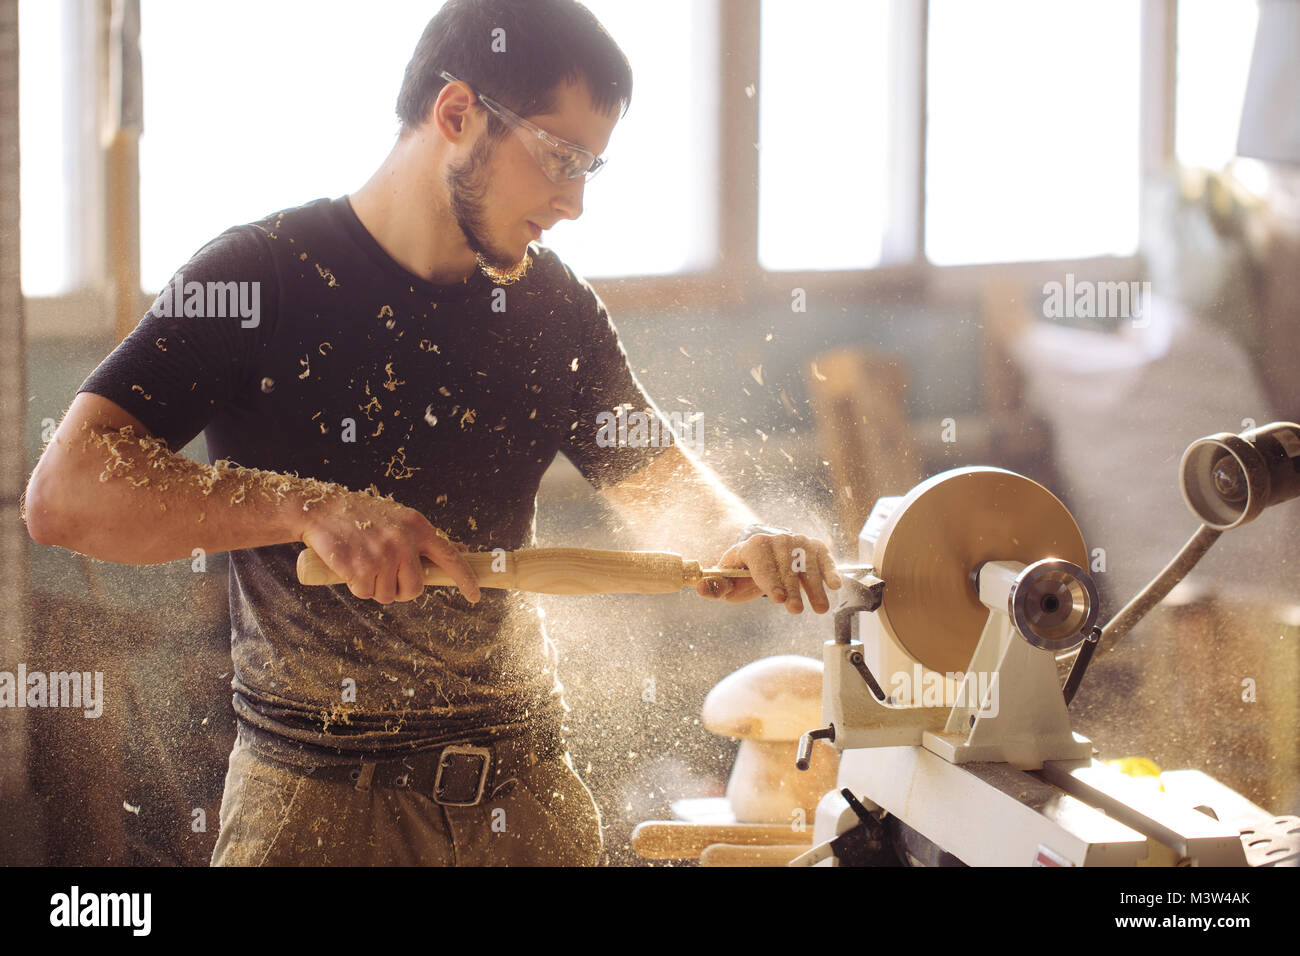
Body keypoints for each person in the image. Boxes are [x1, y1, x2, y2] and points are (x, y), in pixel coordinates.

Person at [23, 0, 841, 866]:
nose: (574, 203)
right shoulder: (259, 277)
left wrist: (743, 538)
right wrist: (310, 508)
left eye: (592, 167)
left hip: (524, 798)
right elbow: (65, 492)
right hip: (316, 805)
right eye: (561, 158)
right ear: (457, 114)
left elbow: (659, 485)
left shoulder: (549, 308)